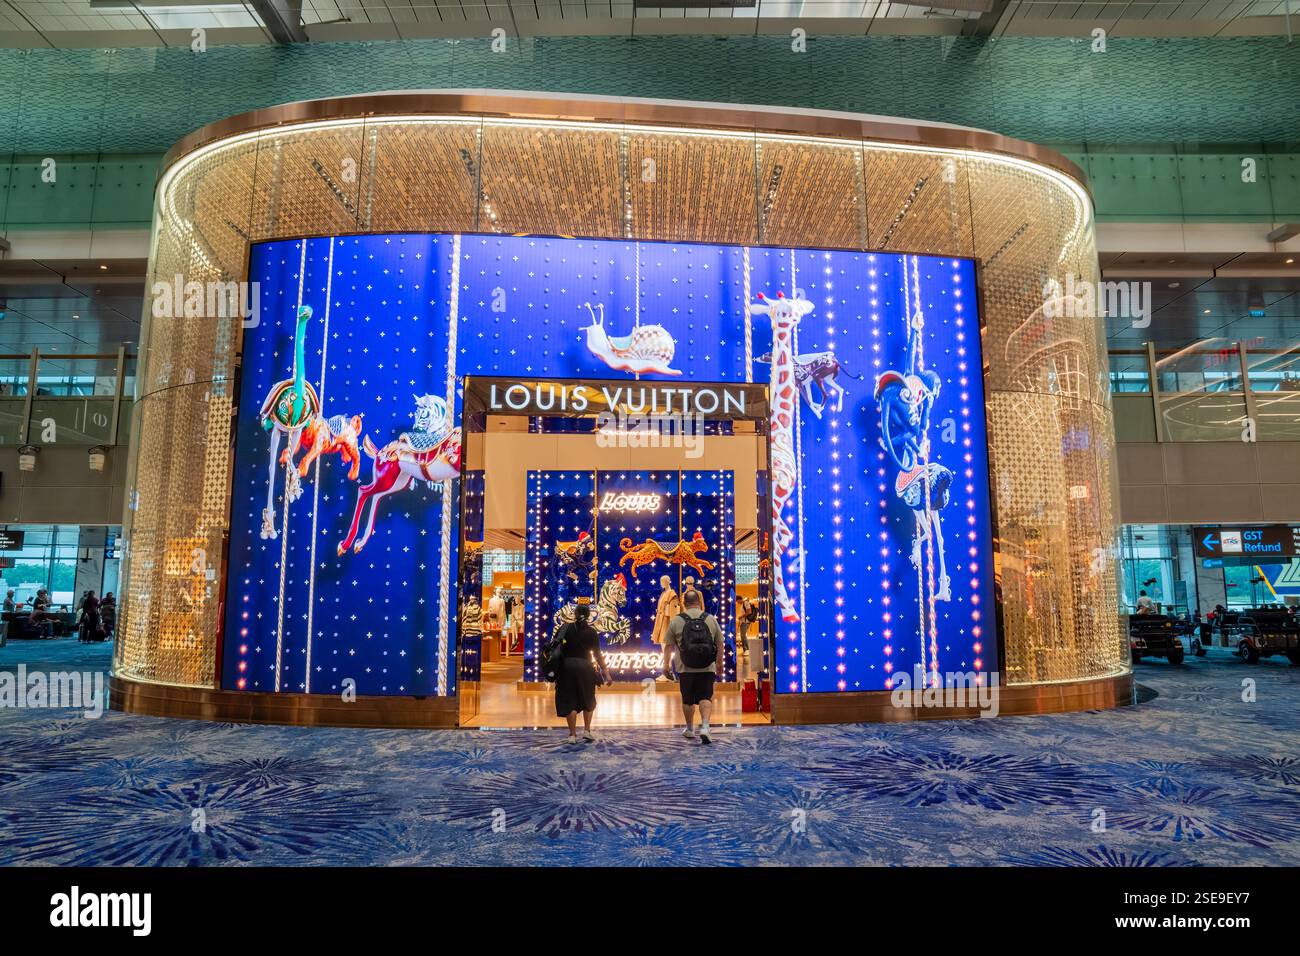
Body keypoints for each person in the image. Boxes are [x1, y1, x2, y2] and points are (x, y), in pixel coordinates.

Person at [662, 589, 724, 745]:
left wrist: (666, 665)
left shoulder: (676, 620)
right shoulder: (710, 619)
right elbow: (720, 643)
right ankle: (705, 726)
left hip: (685, 667)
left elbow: (668, 645)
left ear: (684, 603)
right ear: (699, 602)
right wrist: (719, 662)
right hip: (707, 666)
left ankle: (690, 728)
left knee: (688, 699)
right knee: (705, 697)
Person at [554, 603, 611, 744]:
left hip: (566, 668)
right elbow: (597, 654)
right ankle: (587, 731)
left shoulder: (564, 629)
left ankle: (572, 735)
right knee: (588, 698)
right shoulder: (592, 632)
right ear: (588, 616)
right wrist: (606, 673)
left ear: (574, 614)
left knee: (570, 700)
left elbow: (555, 648)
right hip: (586, 668)